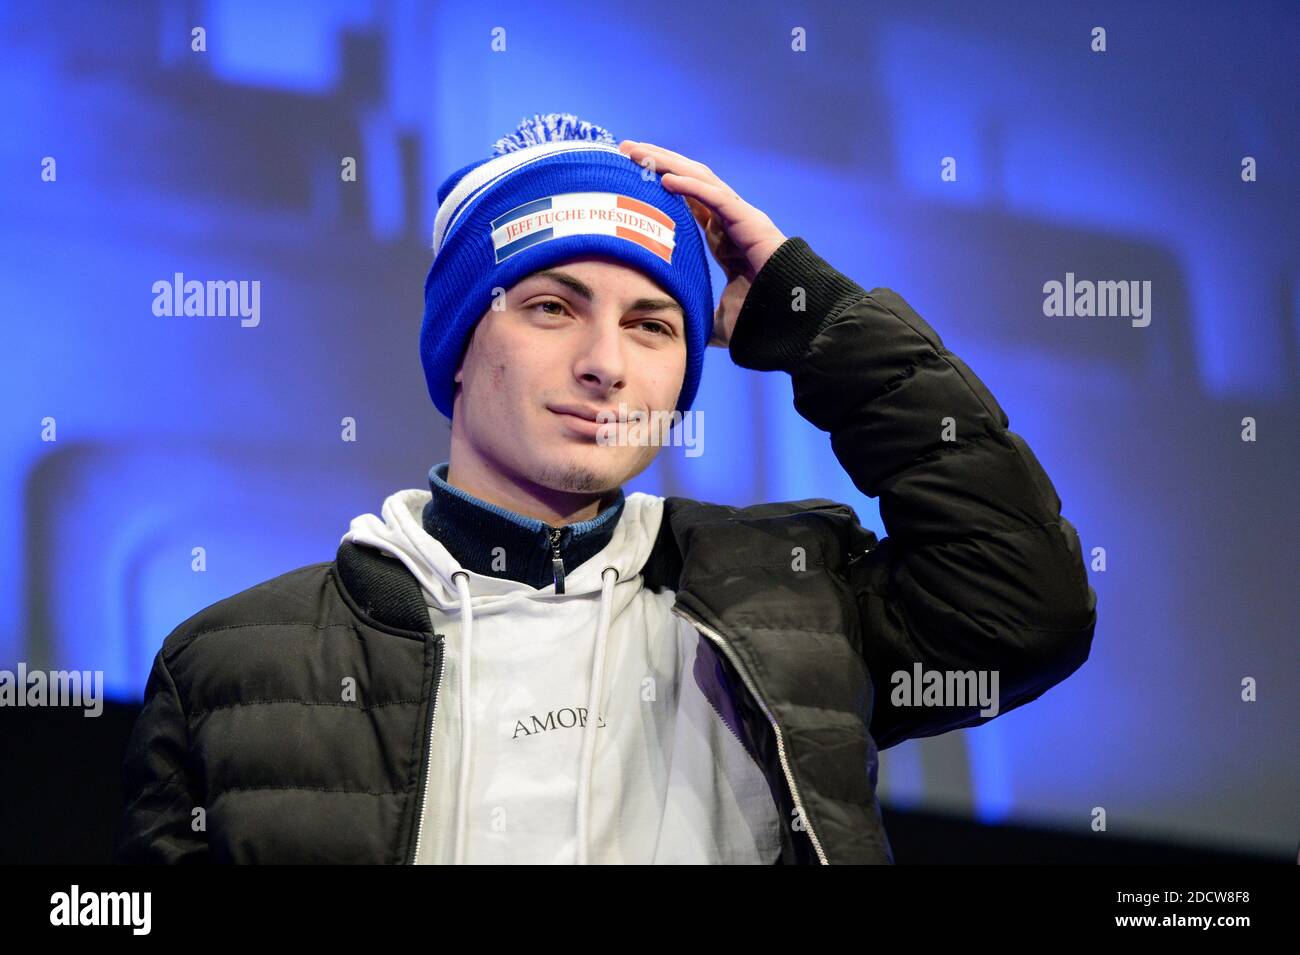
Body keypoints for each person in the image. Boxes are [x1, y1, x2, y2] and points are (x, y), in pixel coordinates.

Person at [113, 113, 1097, 865]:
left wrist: (812, 316)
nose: (604, 364)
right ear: (460, 347)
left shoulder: (794, 596)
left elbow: (1024, 608)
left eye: (652, 325)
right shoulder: (227, 665)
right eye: (550, 307)